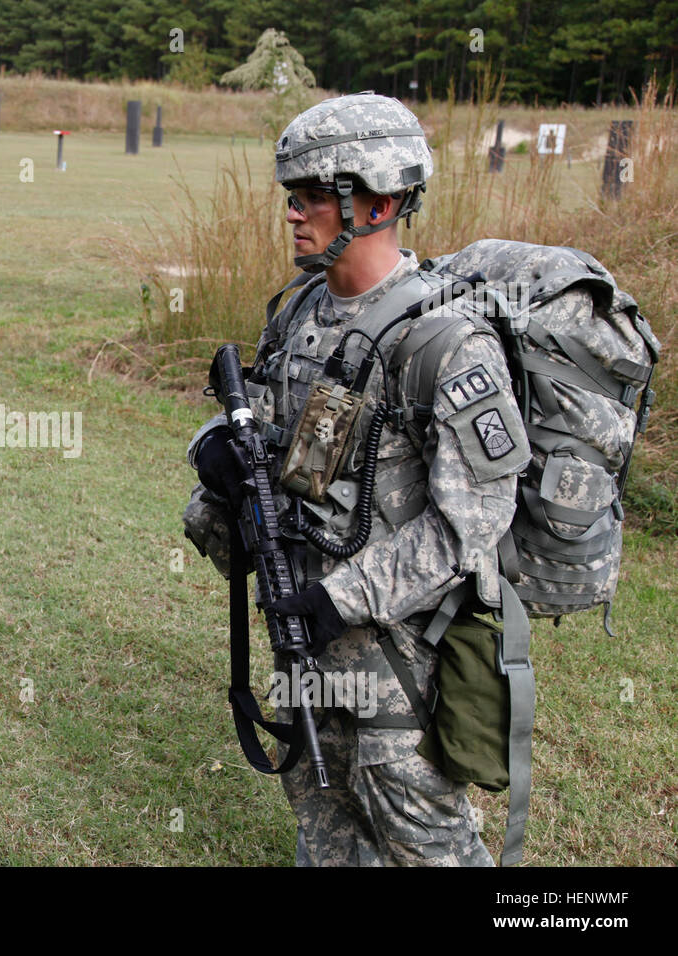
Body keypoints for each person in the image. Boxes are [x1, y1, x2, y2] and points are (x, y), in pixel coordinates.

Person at [182, 92, 531, 866]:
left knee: (423, 848)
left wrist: (337, 602)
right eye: (291, 196)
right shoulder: (301, 309)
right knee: (324, 834)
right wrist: (216, 457)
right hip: (301, 636)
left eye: (310, 196)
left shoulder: (446, 340)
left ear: (376, 199)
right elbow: (265, 430)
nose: (293, 214)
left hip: (396, 660)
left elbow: (472, 524)